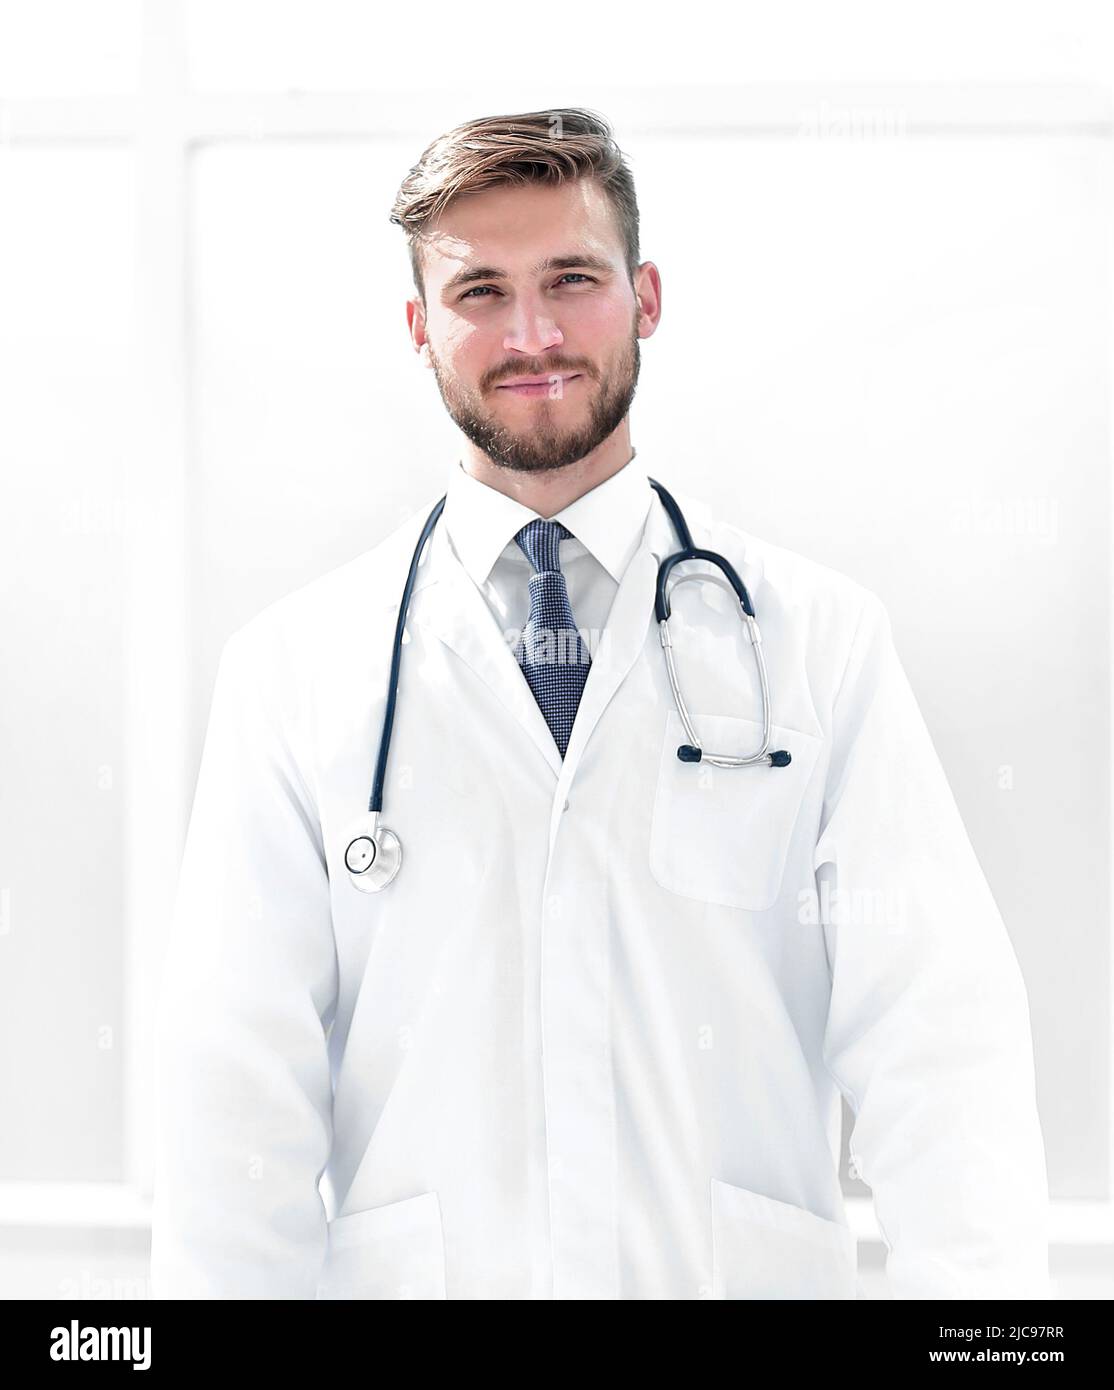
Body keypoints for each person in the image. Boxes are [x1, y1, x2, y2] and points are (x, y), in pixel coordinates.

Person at [150, 107, 1050, 1300]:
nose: (531, 334)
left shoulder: (819, 645)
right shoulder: (293, 672)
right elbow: (234, 1109)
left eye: (570, 279)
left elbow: (940, 1047)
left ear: (645, 297)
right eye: (479, 292)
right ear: (419, 329)